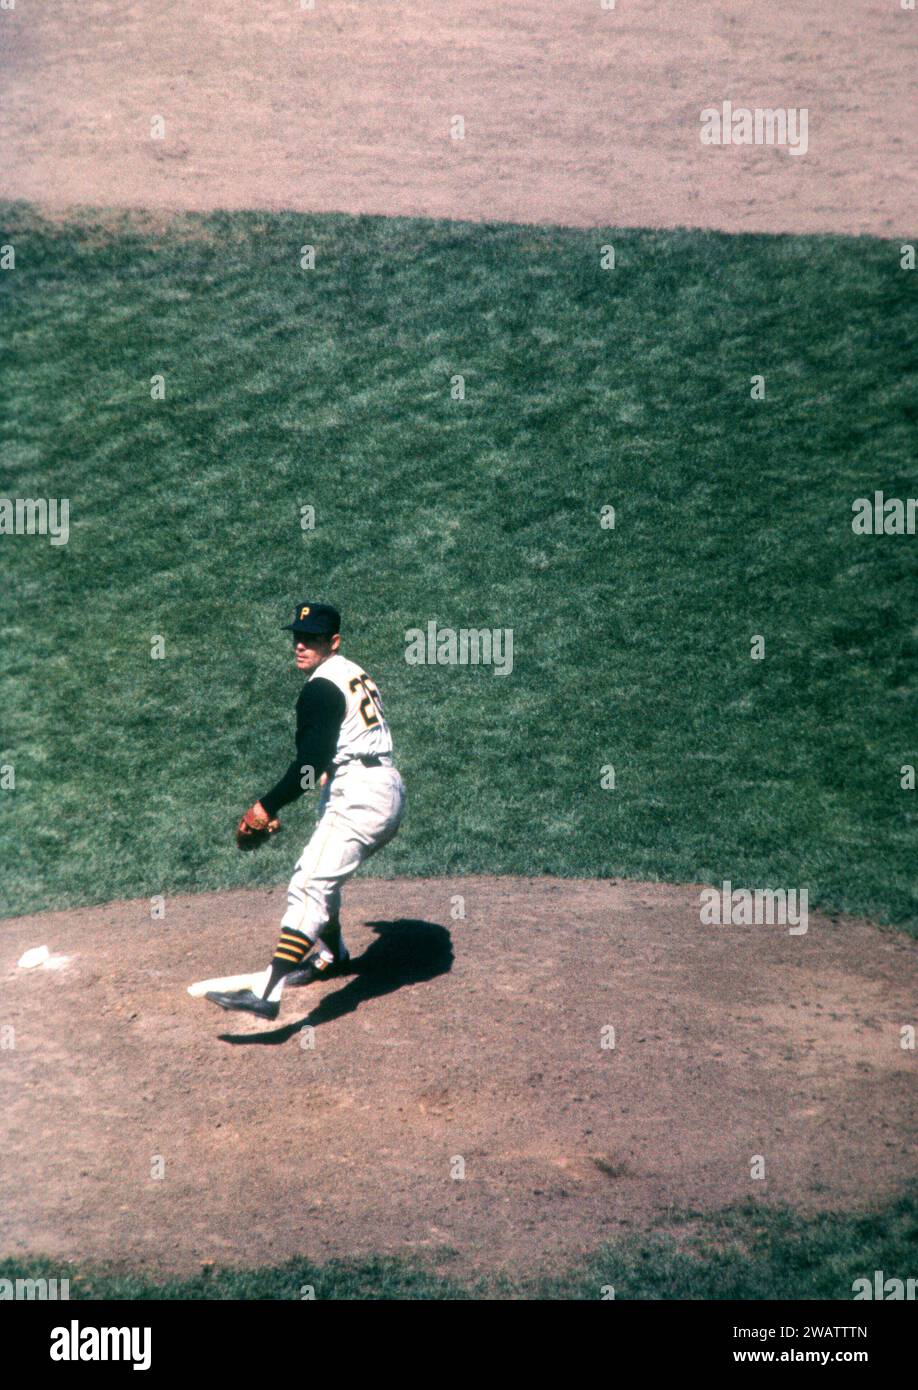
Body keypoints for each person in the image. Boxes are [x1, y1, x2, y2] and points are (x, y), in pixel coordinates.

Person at [206, 601, 405, 1020]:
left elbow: (309, 765)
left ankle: (268, 993)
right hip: (370, 785)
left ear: (332, 641)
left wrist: (266, 806)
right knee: (319, 871)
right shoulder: (352, 671)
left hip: (361, 794)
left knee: (310, 883)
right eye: (297, 636)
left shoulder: (320, 687)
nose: (300, 645)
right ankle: (333, 955)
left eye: (312, 638)